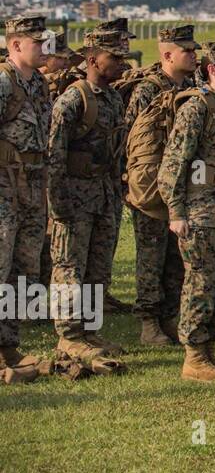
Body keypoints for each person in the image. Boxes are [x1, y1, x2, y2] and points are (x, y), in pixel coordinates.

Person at [158, 38, 215, 381]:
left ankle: (208, 349)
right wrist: (176, 212)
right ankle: (194, 356)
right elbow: (173, 164)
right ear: (213, 69)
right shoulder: (196, 107)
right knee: (200, 282)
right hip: (202, 213)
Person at [46, 30, 130, 363]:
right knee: (69, 270)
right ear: (93, 59)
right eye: (115, 57)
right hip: (74, 199)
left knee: (98, 270)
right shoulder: (72, 100)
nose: (122, 63)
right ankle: (69, 336)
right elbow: (54, 156)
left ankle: (90, 330)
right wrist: (57, 204)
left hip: (103, 198)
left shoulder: (112, 98)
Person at [126, 24, 199, 346]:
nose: (195, 55)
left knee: (175, 255)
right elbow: (132, 139)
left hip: (181, 184)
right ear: (168, 54)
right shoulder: (148, 89)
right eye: (188, 50)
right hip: (152, 184)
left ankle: (171, 314)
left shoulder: (192, 86)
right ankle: (148, 322)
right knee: (151, 255)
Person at [0, 14, 52, 383]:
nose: (44, 48)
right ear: (15, 44)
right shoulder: (3, 83)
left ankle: (8, 344)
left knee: (24, 271)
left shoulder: (39, 85)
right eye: (38, 42)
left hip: (32, 188)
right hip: (4, 188)